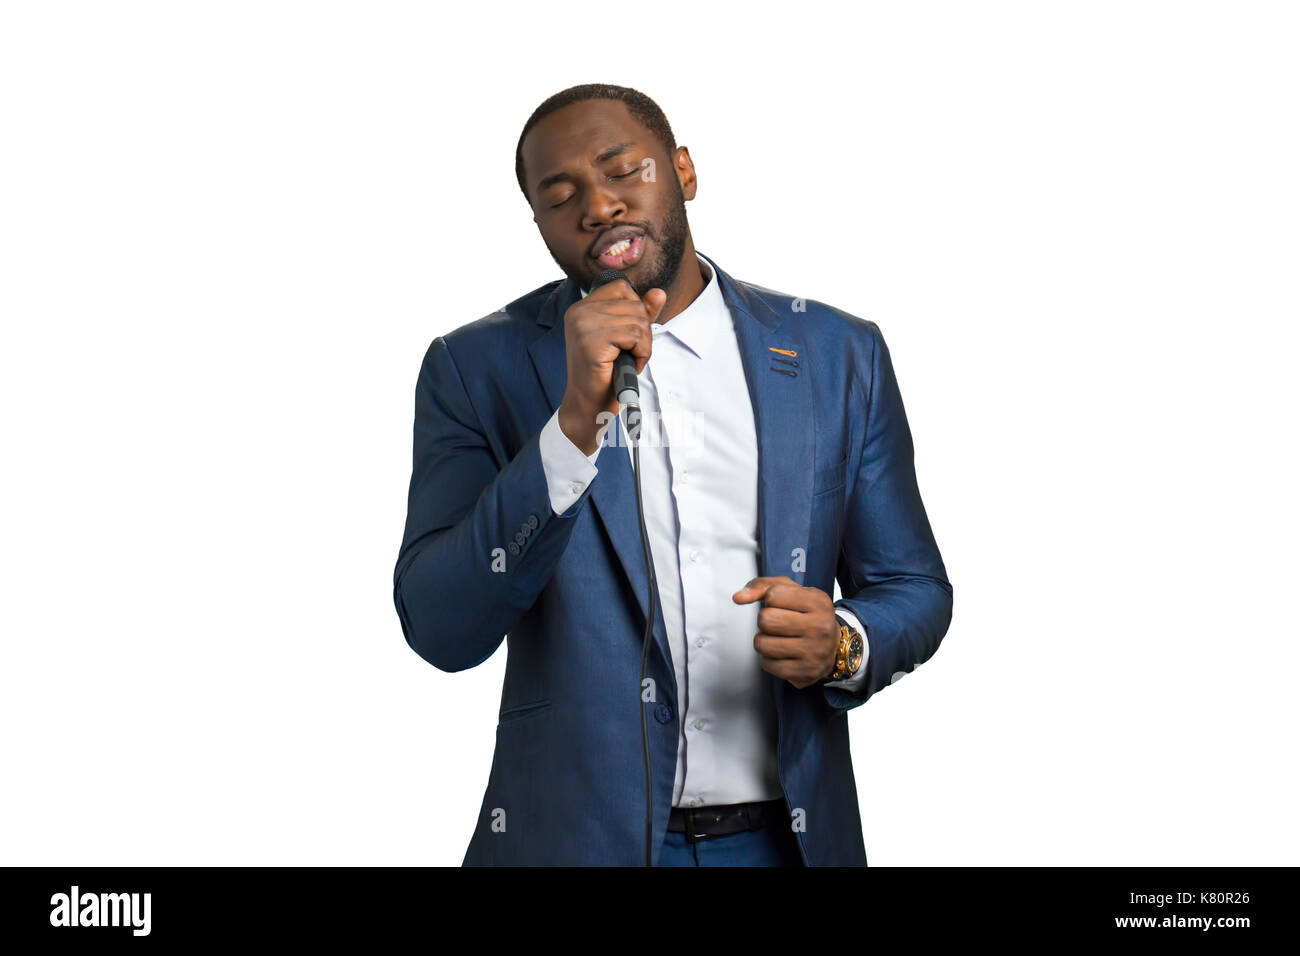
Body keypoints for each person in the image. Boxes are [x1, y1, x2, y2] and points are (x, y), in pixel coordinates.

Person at [392, 83, 952, 866]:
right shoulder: (475, 368)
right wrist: (569, 432)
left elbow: (914, 586)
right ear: (541, 225)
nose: (599, 205)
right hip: (573, 848)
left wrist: (845, 645)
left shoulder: (835, 354)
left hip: (785, 845)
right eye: (562, 196)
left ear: (683, 172)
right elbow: (441, 626)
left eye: (624, 170)